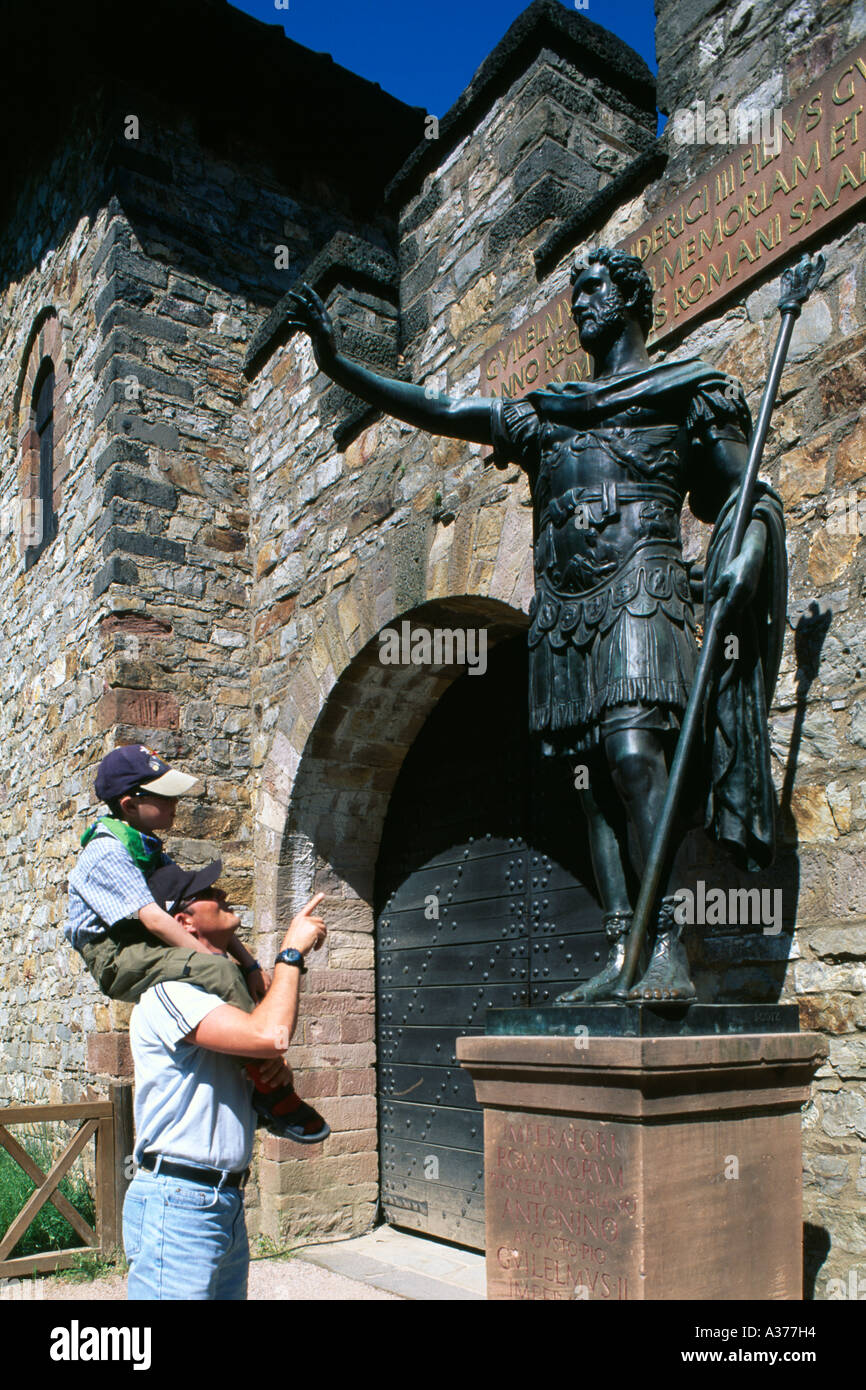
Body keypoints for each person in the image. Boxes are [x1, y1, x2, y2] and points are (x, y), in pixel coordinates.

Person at [281, 256, 785, 1001]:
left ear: (635, 300)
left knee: (634, 754)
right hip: (566, 610)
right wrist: (339, 364)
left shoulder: (686, 394)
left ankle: (669, 946)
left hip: (642, 589)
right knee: (590, 786)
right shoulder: (545, 414)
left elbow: (745, 493)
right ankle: (623, 951)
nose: (581, 304)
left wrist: (747, 551)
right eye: (574, 294)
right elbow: (439, 409)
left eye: (597, 291)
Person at [66, 744, 328, 1141]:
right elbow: (156, 918)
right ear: (129, 803)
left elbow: (180, 911)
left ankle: (257, 1064)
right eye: (164, 796)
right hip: (114, 954)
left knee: (225, 965)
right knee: (215, 967)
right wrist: (214, 958)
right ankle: (270, 1087)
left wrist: (251, 965)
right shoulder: (107, 850)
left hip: (141, 942)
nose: (175, 803)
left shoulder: (146, 845)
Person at [122, 878, 327, 1300]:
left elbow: (264, 1043)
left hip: (222, 1202)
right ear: (184, 921)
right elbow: (272, 1033)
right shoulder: (170, 993)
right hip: (178, 1201)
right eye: (208, 895)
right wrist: (290, 954)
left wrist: (271, 1077)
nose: (222, 895)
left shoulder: (217, 1002)